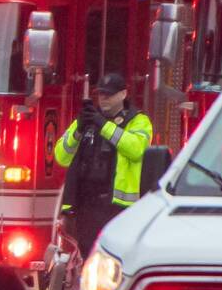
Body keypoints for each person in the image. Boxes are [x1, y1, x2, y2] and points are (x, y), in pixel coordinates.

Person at [53, 72, 154, 253]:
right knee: (86, 257)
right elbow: (61, 156)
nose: (104, 99)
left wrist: (104, 125)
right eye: (101, 94)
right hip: (86, 206)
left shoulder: (138, 121)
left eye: (109, 94)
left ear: (123, 94)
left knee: (111, 257)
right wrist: (78, 130)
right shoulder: (88, 120)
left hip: (118, 208)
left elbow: (136, 149)